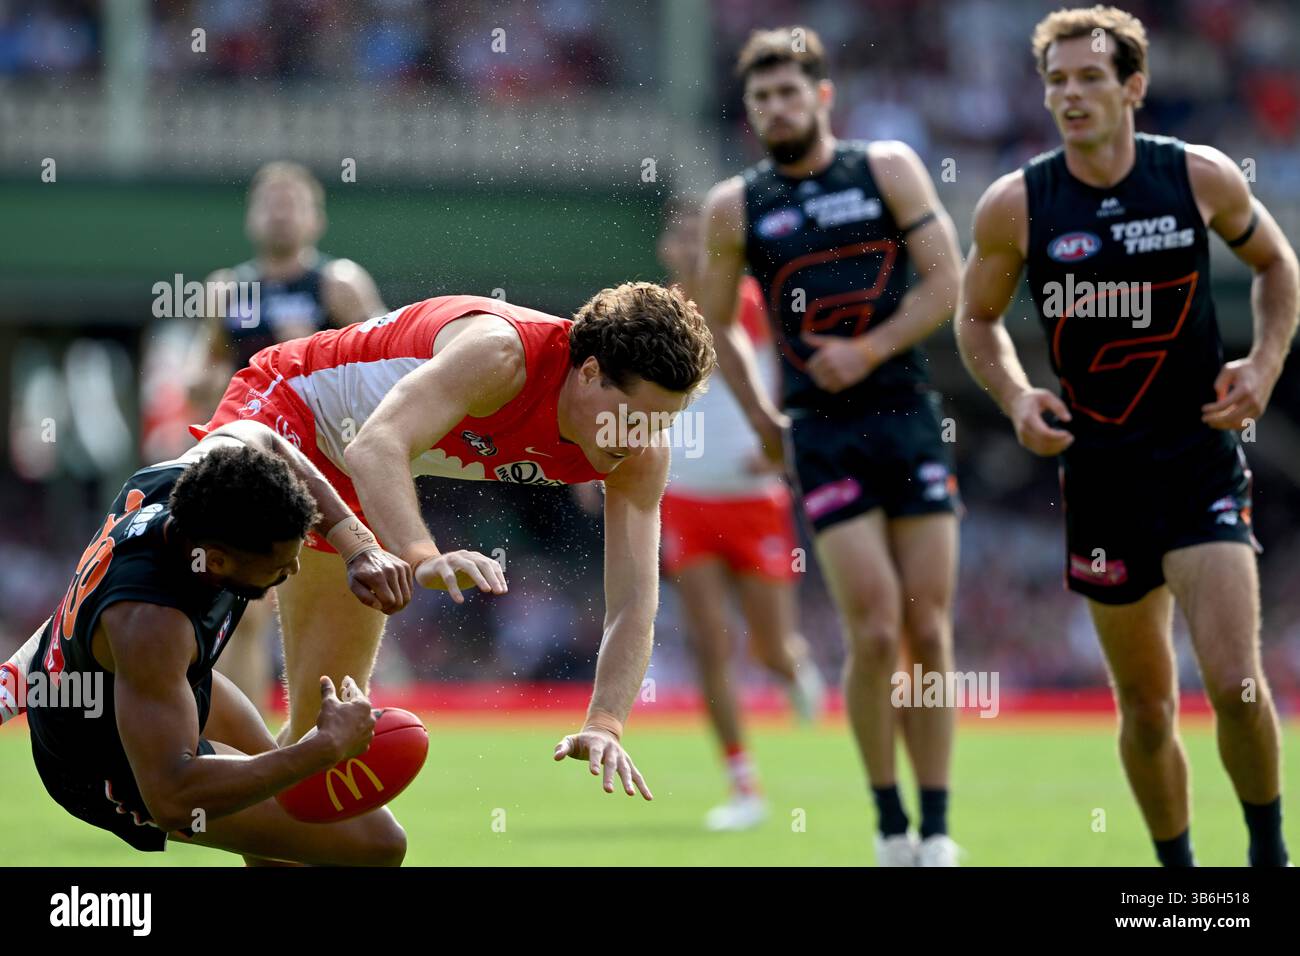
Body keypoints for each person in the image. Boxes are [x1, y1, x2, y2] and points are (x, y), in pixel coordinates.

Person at [955, 6, 1297, 866]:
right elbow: (975, 318)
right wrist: (1016, 396)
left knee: (1237, 685)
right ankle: (1178, 879)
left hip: (1197, 463)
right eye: (1057, 81)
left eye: (1090, 78)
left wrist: (1262, 366)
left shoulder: (1197, 178)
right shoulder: (1017, 204)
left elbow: (1277, 266)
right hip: (1100, 477)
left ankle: (1267, 855)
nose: (1071, 95)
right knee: (1145, 710)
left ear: (1133, 87)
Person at [190, 283, 715, 796]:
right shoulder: (501, 353)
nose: (642, 439)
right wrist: (421, 556)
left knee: (319, 743)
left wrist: (605, 722)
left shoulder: (640, 454)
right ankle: (162, 741)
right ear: (591, 373)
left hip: (356, 482)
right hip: (283, 412)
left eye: (661, 423)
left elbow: (633, 604)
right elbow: (376, 445)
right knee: (193, 598)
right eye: (634, 418)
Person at [696, 27, 964, 864]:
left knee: (930, 630)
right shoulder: (735, 204)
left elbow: (949, 279)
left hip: (907, 412)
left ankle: (939, 828)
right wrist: (767, 420)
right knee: (876, 631)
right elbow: (713, 325)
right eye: (759, 99)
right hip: (822, 432)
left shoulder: (885, 167)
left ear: (821, 96)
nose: (775, 109)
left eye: (788, 92)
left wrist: (873, 350)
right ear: (749, 114)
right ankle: (889, 827)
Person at [20, 422, 410, 864]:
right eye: (278, 566)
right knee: (378, 845)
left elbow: (262, 436)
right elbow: (173, 797)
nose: (295, 570)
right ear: (219, 560)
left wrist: (357, 546)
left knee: (285, 833)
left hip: (136, 687)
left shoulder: (193, 488)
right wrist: (323, 748)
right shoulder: (153, 625)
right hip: (102, 760)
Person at [186, 161, 387, 711]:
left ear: (316, 218)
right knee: (242, 607)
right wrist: (221, 375)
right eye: (268, 201)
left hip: (321, 466)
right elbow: (201, 378)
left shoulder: (338, 283)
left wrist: (317, 347)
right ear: (251, 217)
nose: (279, 211)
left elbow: (387, 370)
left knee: (323, 600)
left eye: (291, 201)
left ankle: (324, 719)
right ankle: (246, 743)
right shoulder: (227, 289)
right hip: (252, 467)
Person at [656, 196, 824, 831]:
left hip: (753, 499)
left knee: (770, 648)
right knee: (708, 643)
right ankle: (742, 782)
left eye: (705, 237)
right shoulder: (657, 311)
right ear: (668, 247)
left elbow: (761, 366)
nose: (693, 247)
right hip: (687, 494)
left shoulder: (748, 300)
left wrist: (779, 441)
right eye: (682, 236)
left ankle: (795, 668)